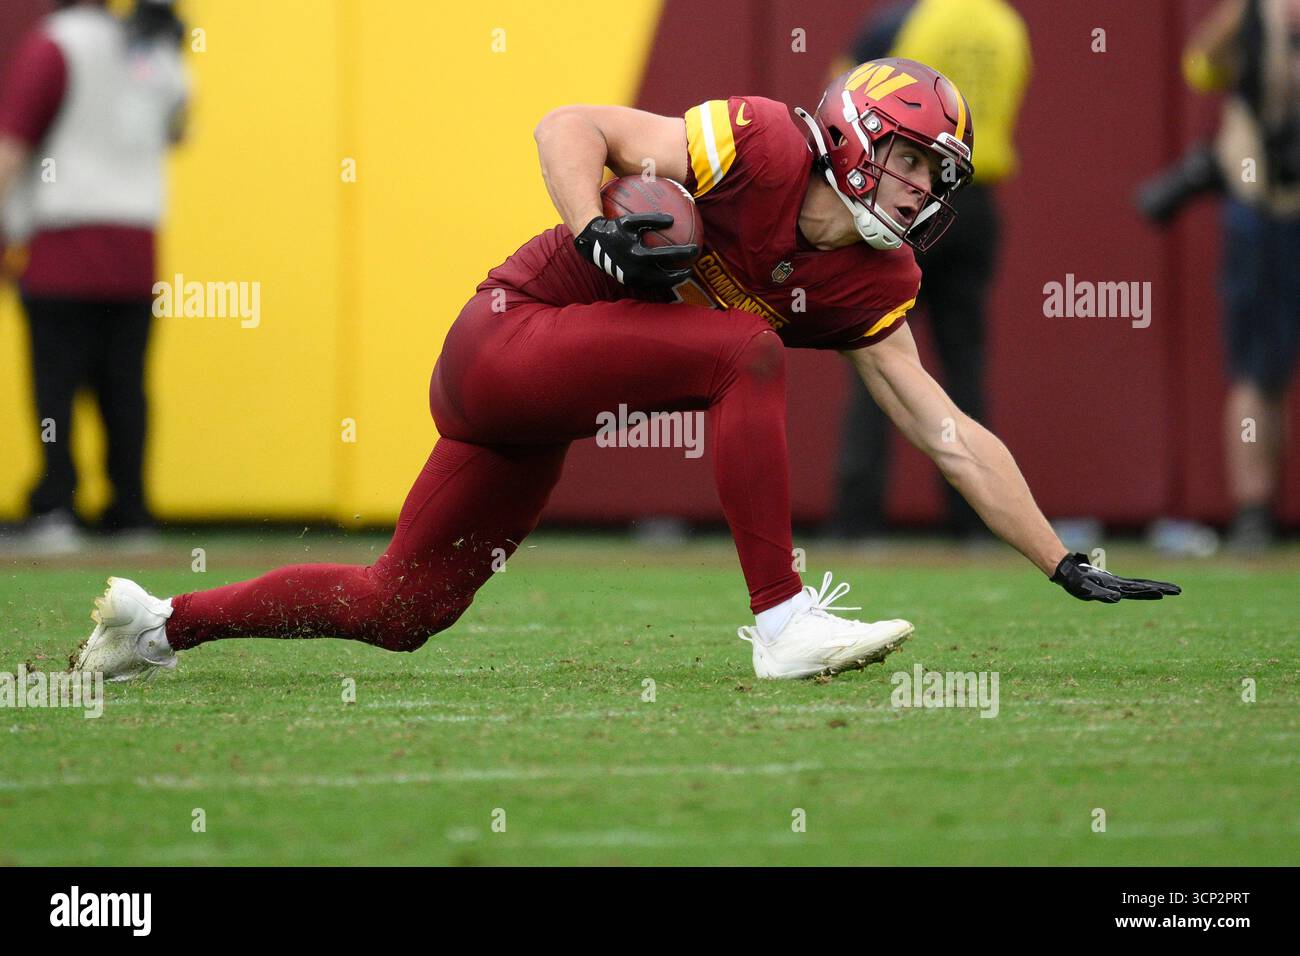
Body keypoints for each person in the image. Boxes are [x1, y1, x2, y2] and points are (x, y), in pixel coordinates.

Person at [71, 58, 1181, 685]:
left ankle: (157, 625)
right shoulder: (755, 142)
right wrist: (587, 224)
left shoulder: (868, 282)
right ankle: (781, 618)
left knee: (400, 607)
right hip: (509, 333)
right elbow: (571, 122)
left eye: (931, 170)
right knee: (743, 350)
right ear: (848, 138)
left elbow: (947, 430)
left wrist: (1058, 558)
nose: (915, 187)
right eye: (902, 159)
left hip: (541, 403)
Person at [829, 0, 1031, 541]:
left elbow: (843, 101)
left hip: (903, 195)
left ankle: (857, 517)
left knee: (878, 354)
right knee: (964, 361)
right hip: (976, 197)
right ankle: (974, 522)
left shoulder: (902, 21)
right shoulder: (1008, 26)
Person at [0, 0, 189, 554]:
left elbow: (13, 144)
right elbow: (178, 126)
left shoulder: (55, 43)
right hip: (135, 243)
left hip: (65, 239)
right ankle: (130, 510)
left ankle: (56, 506)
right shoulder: (154, 47)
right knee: (124, 386)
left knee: (56, 386)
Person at [1184, 0, 1300, 551]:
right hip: (1263, 210)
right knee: (1258, 368)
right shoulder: (1254, 18)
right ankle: (1254, 512)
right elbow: (1200, 66)